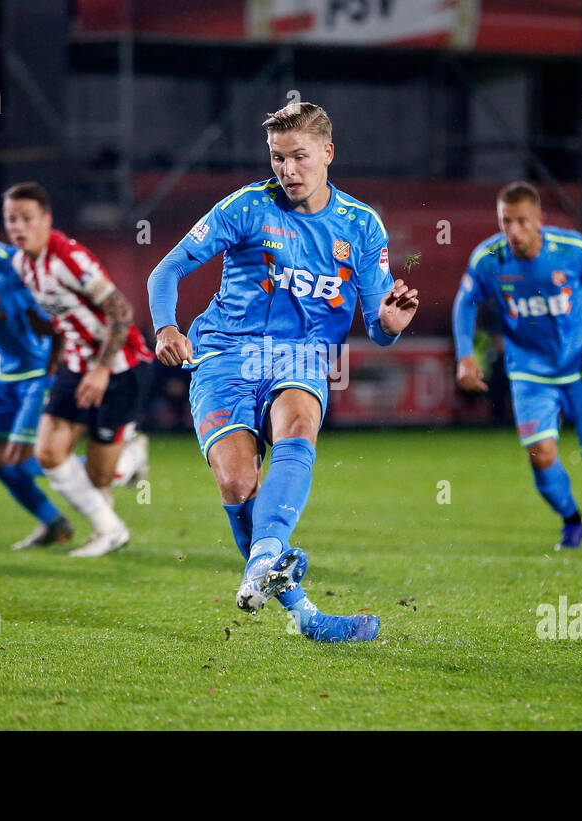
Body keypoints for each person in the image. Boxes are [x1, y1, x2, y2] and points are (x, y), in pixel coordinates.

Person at [146, 101, 419, 642]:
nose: (288, 170)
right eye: (277, 158)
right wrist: (165, 328)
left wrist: (390, 322)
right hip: (224, 351)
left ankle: (265, 556)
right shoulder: (248, 206)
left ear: (327, 153)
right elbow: (168, 268)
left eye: (299, 157)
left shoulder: (361, 226)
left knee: (297, 424)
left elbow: (379, 324)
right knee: (236, 481)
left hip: (301, 356)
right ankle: (306, 617)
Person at [453, 181, 582, 551]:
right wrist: (465, 355)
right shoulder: (489, 260)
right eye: (506, 222)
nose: (514, 231)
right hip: (529, 371)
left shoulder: (570, 249)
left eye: (522, 221)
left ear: (539, 219)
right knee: (541, 455)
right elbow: (465, 302)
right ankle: (572, 521)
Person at [4, 182, 153, 557]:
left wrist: (101, 369)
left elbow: (121, 310)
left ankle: (132, 459)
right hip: (75, 364)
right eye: (11, 220)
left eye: (26, 218)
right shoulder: (22, 263)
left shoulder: (69, 258)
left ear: (46, 220)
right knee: (50, 453)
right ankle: (111, 530)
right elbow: (60, 316)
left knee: (100, 477)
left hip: (120, 366)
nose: (18, 227)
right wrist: (57, 353)